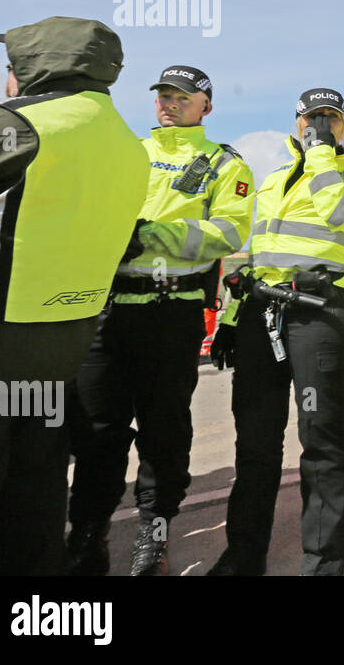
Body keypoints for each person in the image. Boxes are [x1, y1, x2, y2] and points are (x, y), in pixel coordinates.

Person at [0, 17, 148, 575]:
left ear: (33, 70)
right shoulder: (128, 145)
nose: (7, 78)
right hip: (64, 341)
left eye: (12, 67)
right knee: (38, 486)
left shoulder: (13, 128)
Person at [66, 65, 254, 576]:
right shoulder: (130, 153)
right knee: (97, 429)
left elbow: (227, 233)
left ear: (206, 106)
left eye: (181, 97)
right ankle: (88, 531)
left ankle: (155, 531)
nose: (169, 103)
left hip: (170, 313)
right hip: (104, 313)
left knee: (164, 430)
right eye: (163, 95)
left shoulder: (224, 163)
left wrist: (146, 236)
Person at [207, 88, 344, 575]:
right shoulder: (276, 175)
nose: (319, 123)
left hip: (318, 312)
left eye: (331, 117)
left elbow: (339, 214)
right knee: (255, 440)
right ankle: (244, 554)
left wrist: (323, 151)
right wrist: (228, 320)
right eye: (311, 116)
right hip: (262, 315)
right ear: (295, 120)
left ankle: (324, 562)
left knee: (321, 435)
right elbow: (257, 259)